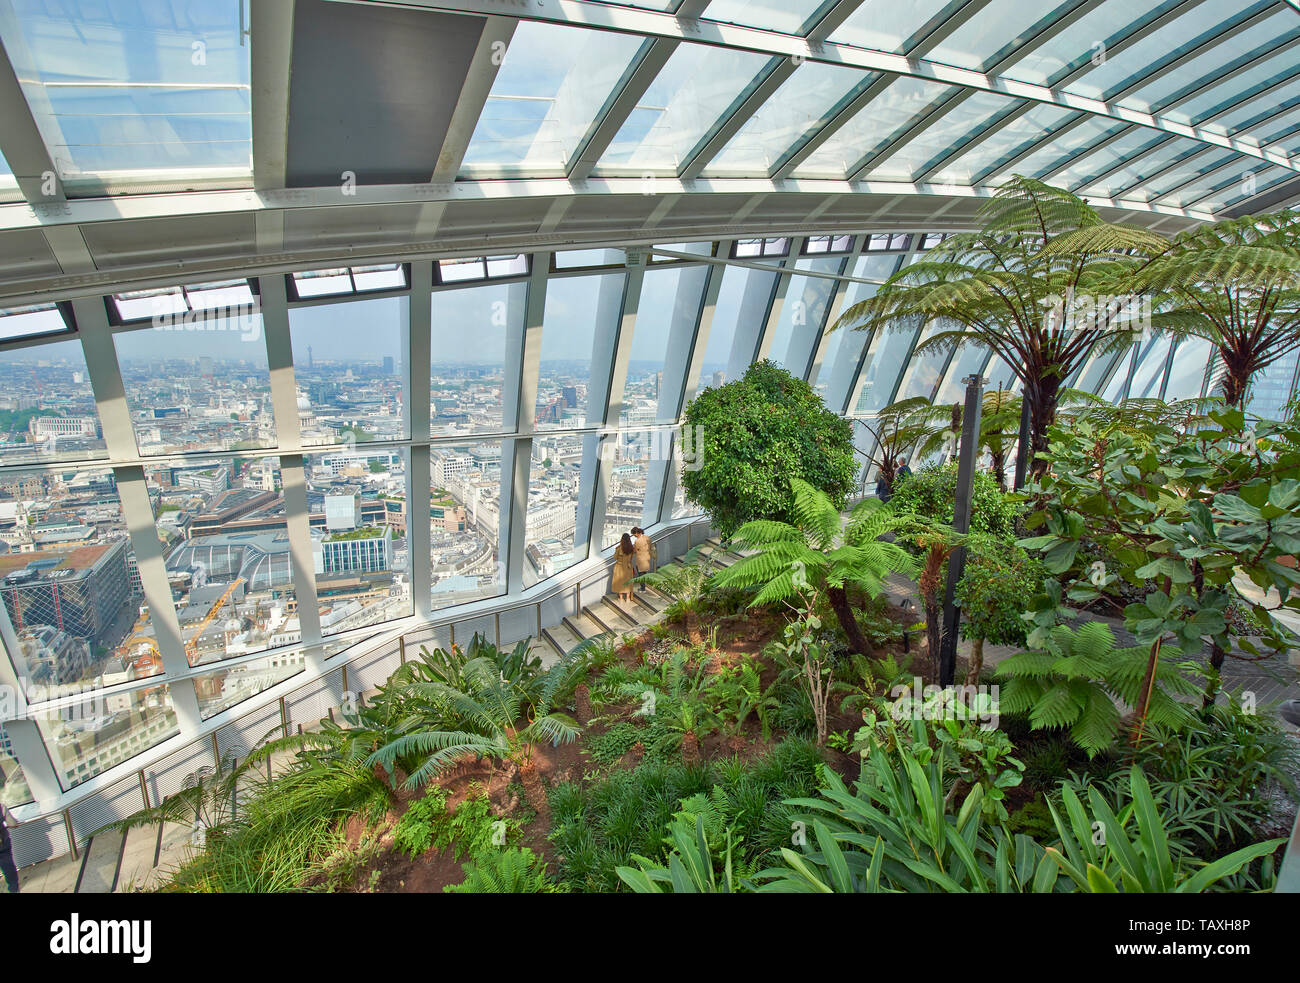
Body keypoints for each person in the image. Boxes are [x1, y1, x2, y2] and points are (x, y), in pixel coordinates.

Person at [611, 532, 636, 603]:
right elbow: (631, 557)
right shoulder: (631, 548)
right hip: (628, 567)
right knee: (628, 582)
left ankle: (621, 599)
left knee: (619, 582)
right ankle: (628, 598)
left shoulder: (619, 548)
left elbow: (615, 557)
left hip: (619, 566)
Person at [0, 803, 19, 894]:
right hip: (2, 844)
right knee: (8, 867)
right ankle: (14, 889)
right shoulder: (1, 807)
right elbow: (12, 824)